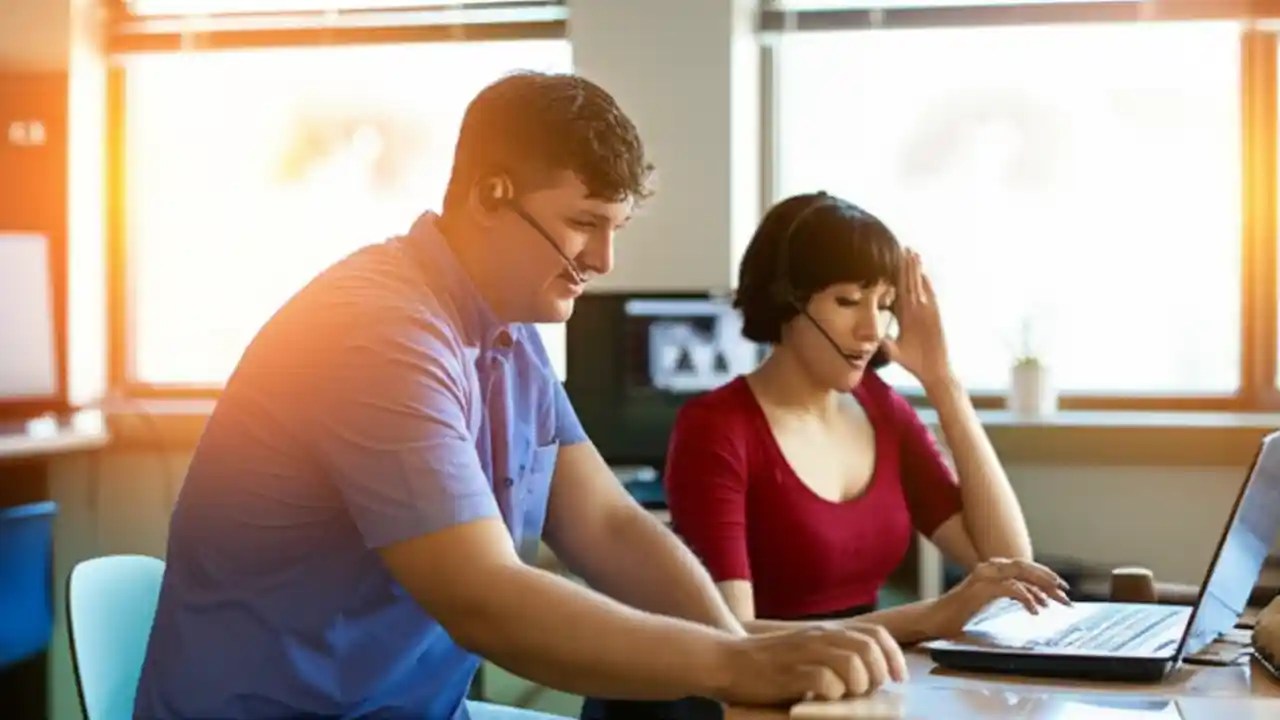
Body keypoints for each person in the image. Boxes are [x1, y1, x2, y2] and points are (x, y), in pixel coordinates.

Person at [131, 75, 911, 720]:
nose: (604, 259)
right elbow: (486, 599)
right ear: (487, 196)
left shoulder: (507, 332)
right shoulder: (376, 333)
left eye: (618, 228)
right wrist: (732, 667)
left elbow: (605, 524)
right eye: (583, 224)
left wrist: (742, 657)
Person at [579, 192, 1071, 720]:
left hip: (843, 690)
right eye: (848, 301)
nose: (873, 329)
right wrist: (933, 617)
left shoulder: (884, 410)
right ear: (787, 302)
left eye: (884, 304)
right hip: (728, 705)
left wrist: (943, 380)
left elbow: (1009, 566)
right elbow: (732, 633)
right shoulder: (717, 428)